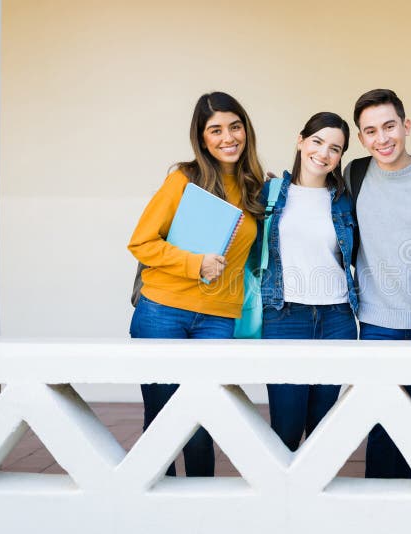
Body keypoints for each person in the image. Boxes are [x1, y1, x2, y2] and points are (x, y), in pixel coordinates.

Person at [128, 92, 264, 476]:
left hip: (219, 318)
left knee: (204, 422)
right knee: (162, 422)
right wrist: (194, 263)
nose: (228, 137)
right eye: (215, 130)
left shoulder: (256, 187)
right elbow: (141, 242)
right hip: (163, 313)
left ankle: (199, 505)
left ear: (246, 130)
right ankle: (155, 504)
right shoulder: (183, 180)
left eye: (235, 127)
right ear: (201, 138)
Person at [345, 89, 411, 479]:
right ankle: (378, 507)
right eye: (370, 131)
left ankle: (409, 507)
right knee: (378, 421)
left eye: (389, 126)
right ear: (361, 138)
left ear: (405, 126)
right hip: (376, 322)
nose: (382, 138)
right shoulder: (352, 175)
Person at [259, 112, 358, 452]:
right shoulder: (268, 193)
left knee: (323, 433)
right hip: (284, 316)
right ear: (300, 140)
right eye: (317, 141)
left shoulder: (345, 199)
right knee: (285, 428)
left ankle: (318, 503)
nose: (324, 153)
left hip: (337, 319)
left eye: (335, 148)